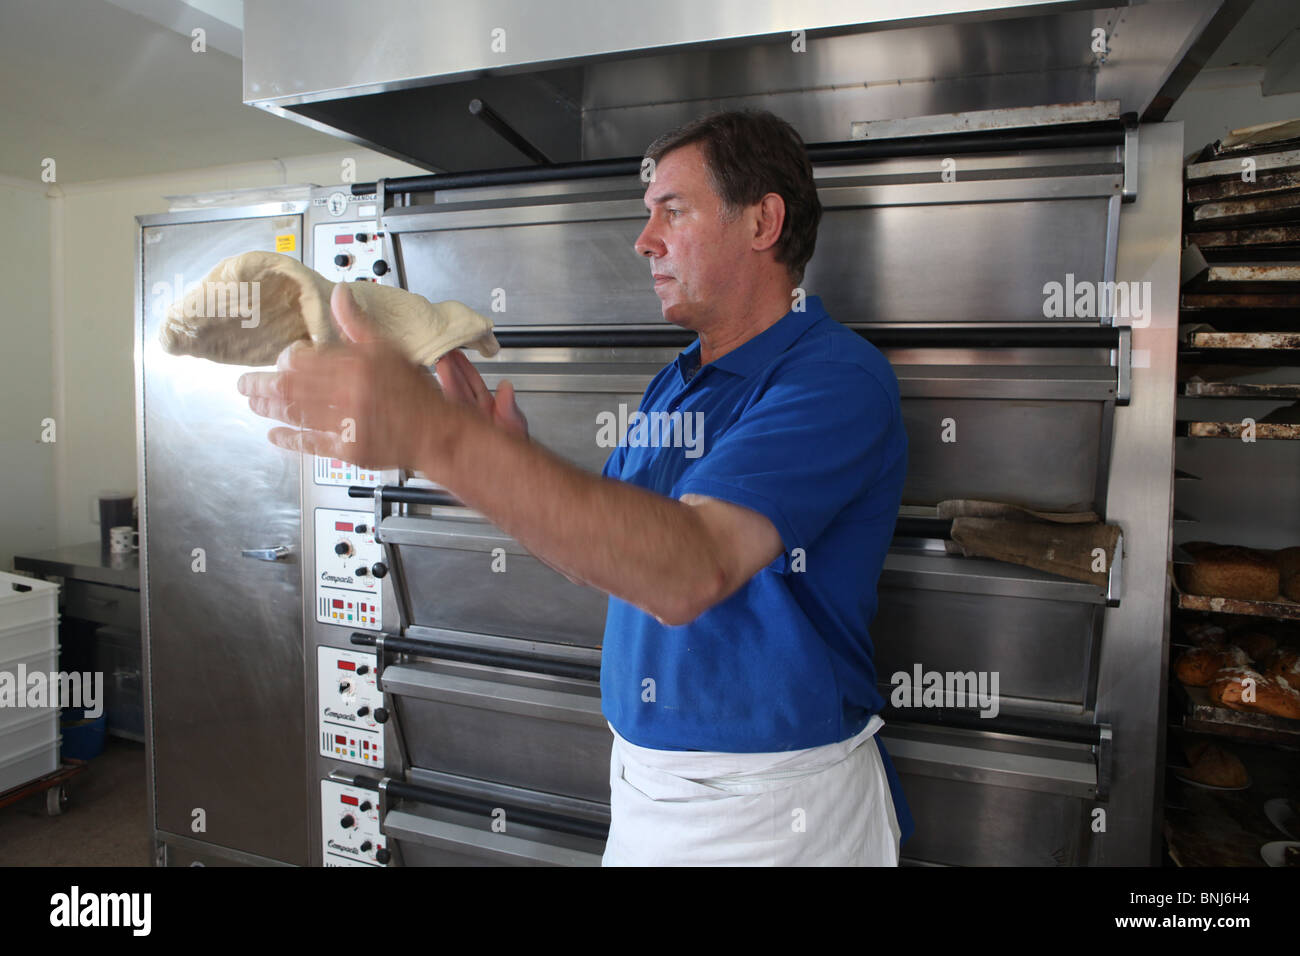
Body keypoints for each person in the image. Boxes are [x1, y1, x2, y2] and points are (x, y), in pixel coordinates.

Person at [238, 108, 913, 866]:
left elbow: (691, 569)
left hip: (777, 812)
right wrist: (498, 461)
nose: (644, 239)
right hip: (647, 789)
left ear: (763, 221)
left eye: (673, 210)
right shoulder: (679, 381)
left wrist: (441, 438)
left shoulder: (835, 378)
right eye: (646, 214)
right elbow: (613, 560)